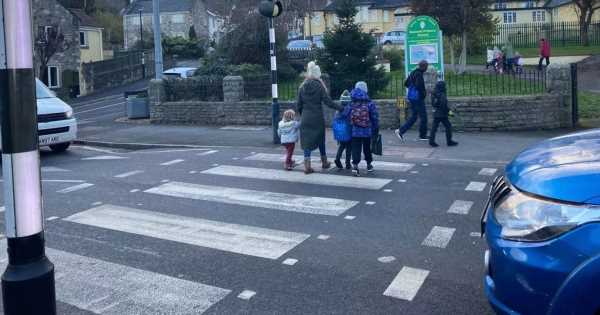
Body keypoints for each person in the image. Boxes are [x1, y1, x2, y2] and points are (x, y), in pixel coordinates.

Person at [297, 61, 343, 174]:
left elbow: (299, 105)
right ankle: (324, 162)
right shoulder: (319, 86)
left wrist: (303, 114)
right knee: (320, 139)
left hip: (305, 117)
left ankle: (307, 166)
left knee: (306, 142)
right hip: (317, 117)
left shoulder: (302, 87)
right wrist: (340, 108)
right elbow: (328, 102)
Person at [341, 81, 379, 177]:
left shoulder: (352, 102)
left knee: (356, 148)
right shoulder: (369, 102)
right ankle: (369, 164)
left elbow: (345, 114)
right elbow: (374, 116)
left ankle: (355, 166)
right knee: (367, 148)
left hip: (355, 130)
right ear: (365, 89)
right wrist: (375, 127)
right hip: (367, 130)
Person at [395, 60, 428, 141]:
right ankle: (422, 136)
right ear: (423, 66)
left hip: (412, 98)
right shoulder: (419, 74)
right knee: (424, 117)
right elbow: (419, 86)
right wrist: (423, 93)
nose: (426, 69)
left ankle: (400, 131)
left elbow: (406, 83)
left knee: (414, 117)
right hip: (418, 99)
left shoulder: (413, 72)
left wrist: (412, 87)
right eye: (426, 67)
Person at [429, 81, 458, 148]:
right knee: (448, 126)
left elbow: (433, 104)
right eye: (444, 86)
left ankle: (431, 141)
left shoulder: (434, 93)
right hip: (442, 114)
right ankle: (449, 141)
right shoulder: (442, 94)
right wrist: (450, 113)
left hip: (436, 113)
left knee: (434, 128)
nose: (445, 87)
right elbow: (444, 106)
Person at [334, 90, 352, 170]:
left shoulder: (338, 110)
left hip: (340, 132)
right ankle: (347, 163)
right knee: (349, 147)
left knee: (341, 146)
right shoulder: (350, 109)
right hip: (348, 131)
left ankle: (337, 159)